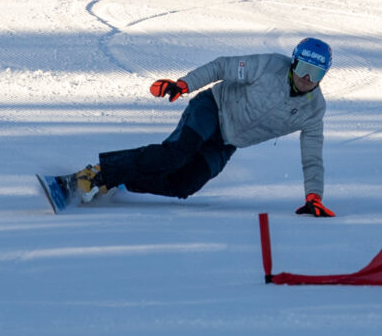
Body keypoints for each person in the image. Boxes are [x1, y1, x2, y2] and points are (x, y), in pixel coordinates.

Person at [69, 37, 336, 215]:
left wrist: (314, 196)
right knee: (177, 153)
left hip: (228, 141)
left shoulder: (313, 110)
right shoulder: (268, 66)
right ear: (293, 62)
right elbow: (222, 67)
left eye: (316, 74)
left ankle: (120, 180)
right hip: (212, 108)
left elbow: (312, 157)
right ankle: (98, 174)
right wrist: (183, 84)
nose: (306, 78)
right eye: (303, 68)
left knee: (184, 184)